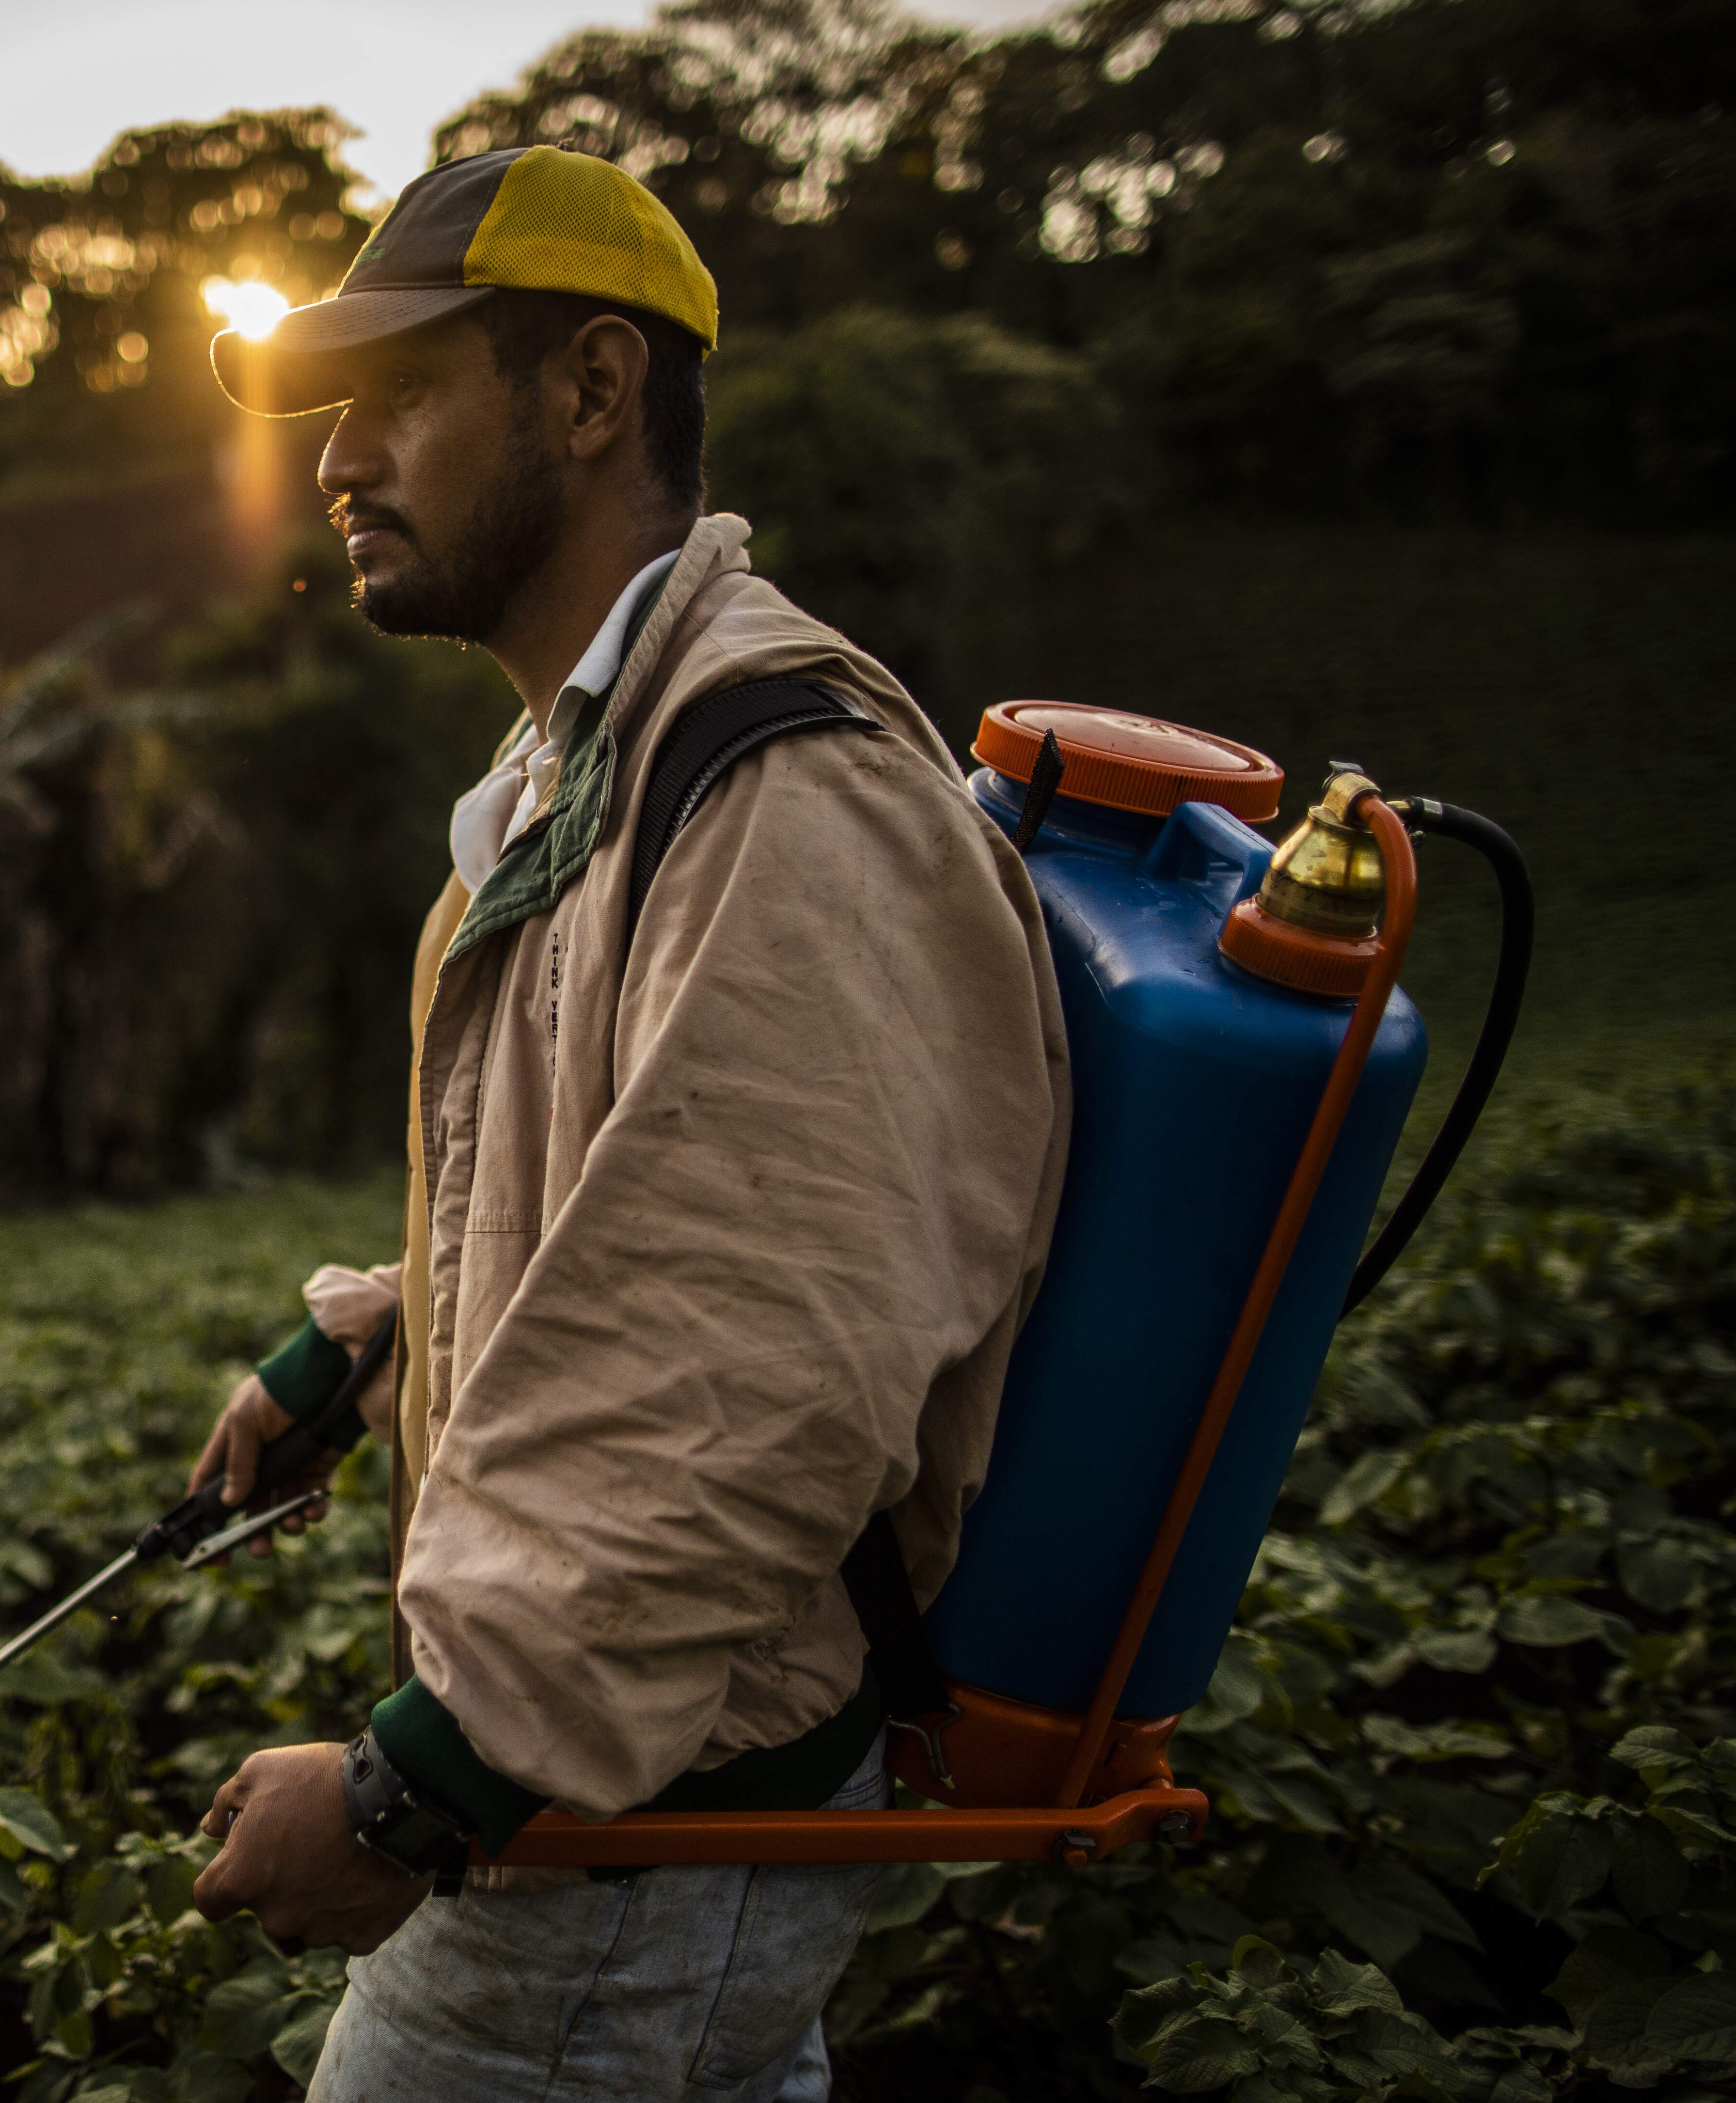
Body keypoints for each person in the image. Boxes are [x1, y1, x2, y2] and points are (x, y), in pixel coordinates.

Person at [181, 145, 1073, 2101]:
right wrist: (376, 1335)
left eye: (400, 394)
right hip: (632, 1795)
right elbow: (626, 1184)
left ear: (593, 391)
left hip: (627, 1831)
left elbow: (753, 1356)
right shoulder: (596, 750)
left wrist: (420, 1786)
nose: (339, 462)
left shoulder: (783, 787)